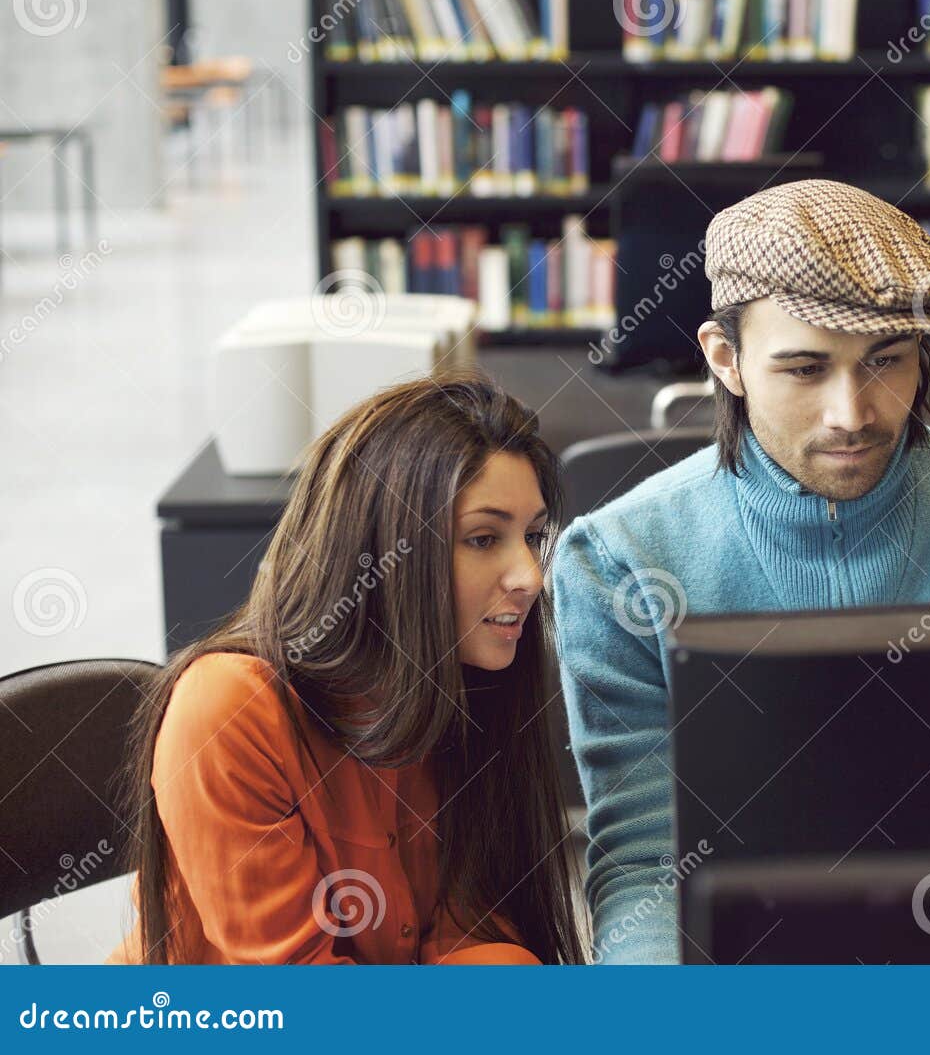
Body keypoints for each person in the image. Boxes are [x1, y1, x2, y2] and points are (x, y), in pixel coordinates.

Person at [551, 179, 930, 964]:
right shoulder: (617, 563)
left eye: (885, 360)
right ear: (727, 359)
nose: (852, 413)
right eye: (806, 369)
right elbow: (648, 857)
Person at [112, 373, 582, 964]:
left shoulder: (463, 680)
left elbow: (473, 926)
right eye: (484, 539)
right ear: (382, 551)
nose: (531, 577)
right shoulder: (228, 707)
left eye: (533, 536)